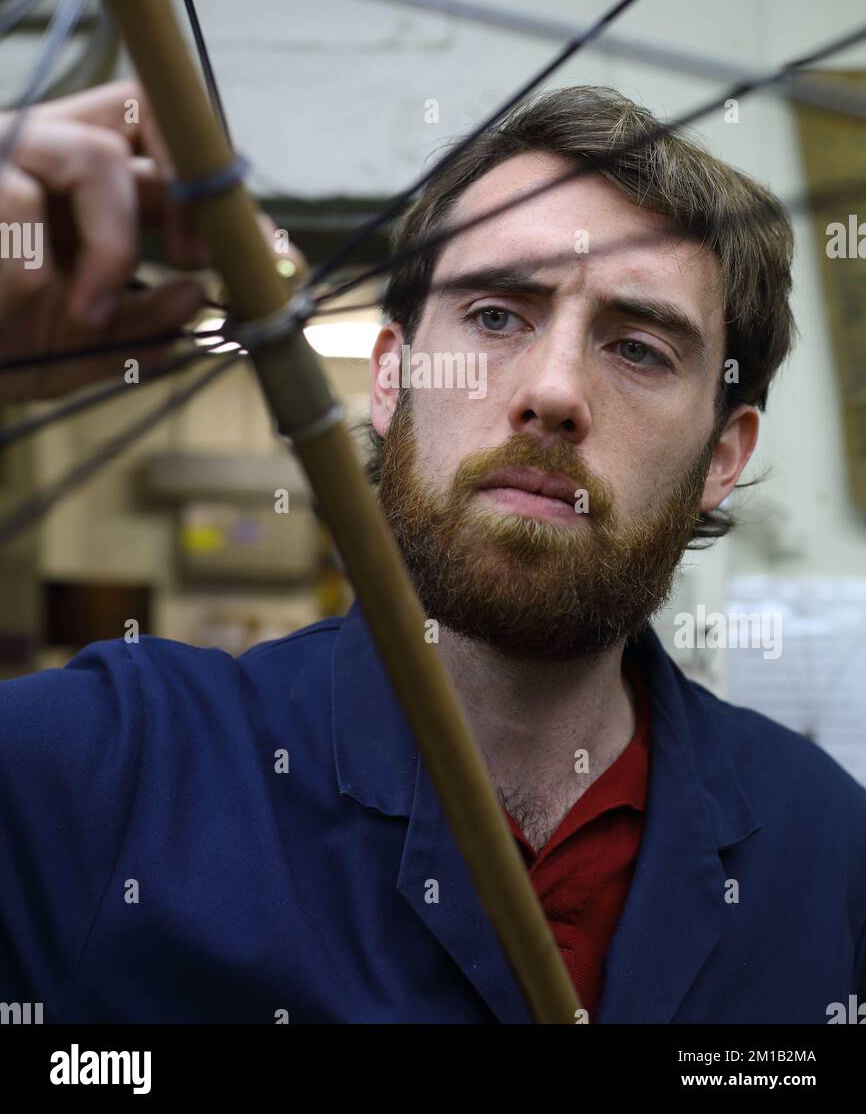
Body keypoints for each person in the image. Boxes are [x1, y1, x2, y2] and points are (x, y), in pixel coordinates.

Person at [0, 80, 863, 1025]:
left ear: (721, 458)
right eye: (497, 316)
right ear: (389, 379)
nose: (553, 391)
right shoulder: (98, 772)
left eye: (640, 349)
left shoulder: (828, 853)